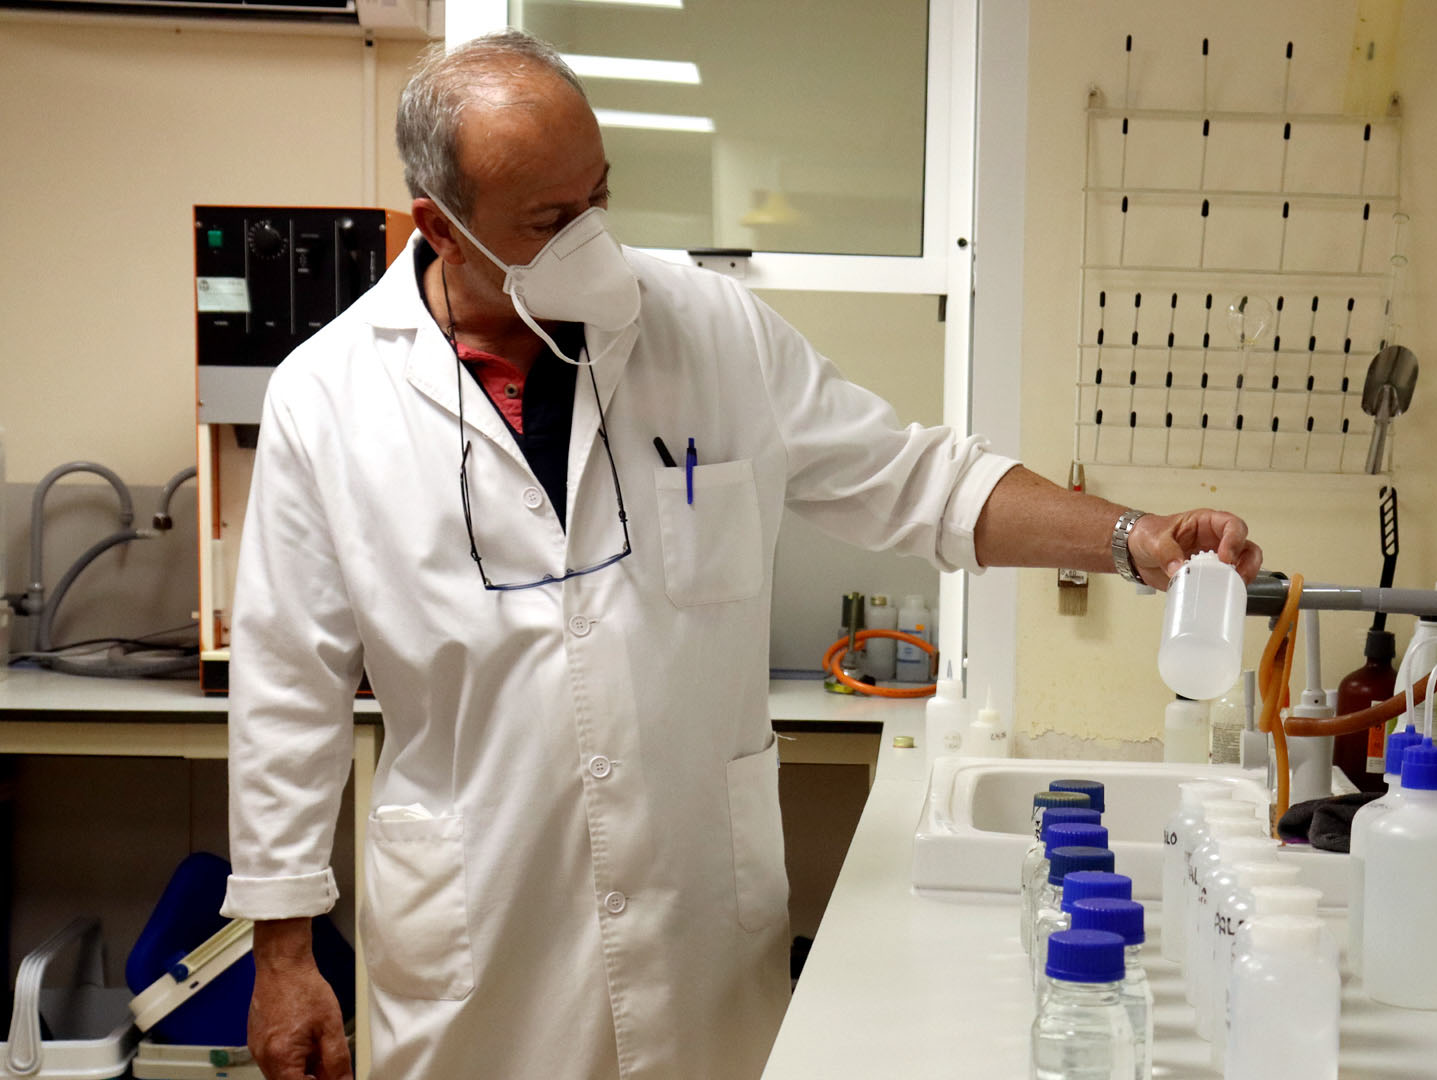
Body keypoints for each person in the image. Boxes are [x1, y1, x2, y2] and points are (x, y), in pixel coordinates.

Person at [225, 29, 1263, 1080]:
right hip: (479, 933)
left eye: (600, 197)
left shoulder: (706, 328)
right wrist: (282, 950)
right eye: (549, 221)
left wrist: (1134, 538)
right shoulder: (331, 397)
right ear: (443, 229)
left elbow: (918, 480)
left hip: (696, 938)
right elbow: (286, 689)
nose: (591, 235)